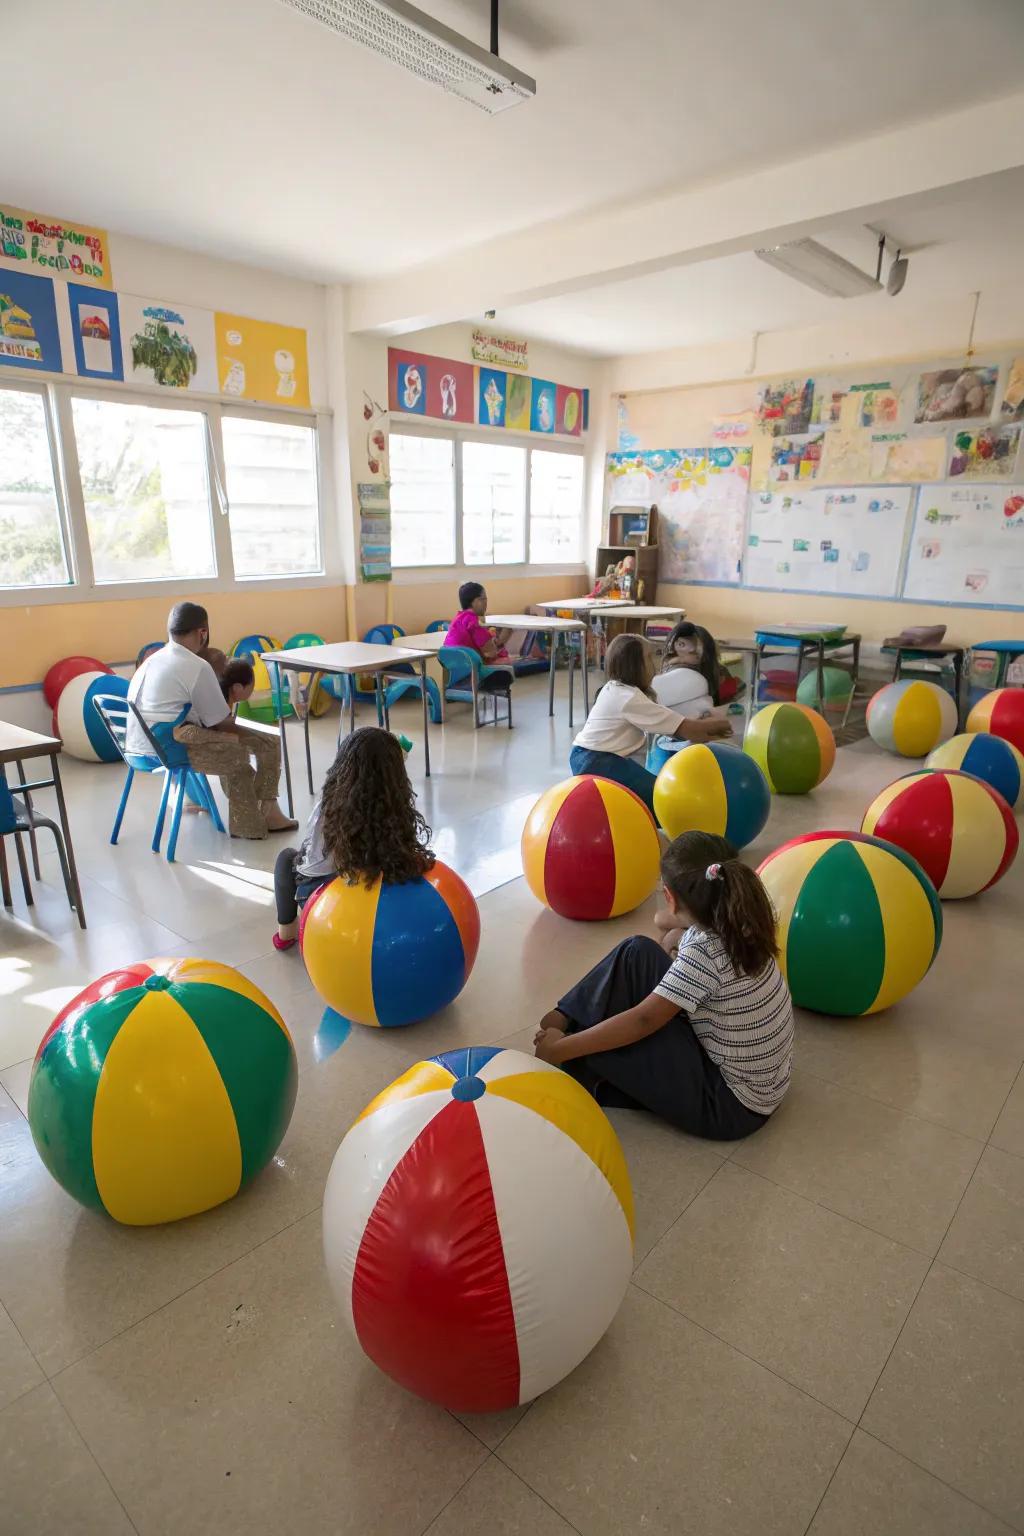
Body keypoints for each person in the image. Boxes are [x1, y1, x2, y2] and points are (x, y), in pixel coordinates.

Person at [533, 831, 793, 1140]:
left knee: (609, 1037)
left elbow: (643, 1020)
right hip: (762, 1084)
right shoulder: (741, 919)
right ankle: (568, 1015)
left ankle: (567, 1043)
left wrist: (560, 1049)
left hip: (730, 1107)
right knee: (638, 950)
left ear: (669, 896)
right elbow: (664, 923)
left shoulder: (703, 951)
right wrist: (673, 933)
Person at [126, 601, 296, 840]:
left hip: (137, 747)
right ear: (202, 632)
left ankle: (264, 813)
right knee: (263, 744)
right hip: (169, 749)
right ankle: (259, 818)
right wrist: (257, 733)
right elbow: (220, 722)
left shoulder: (152, 660)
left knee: (233, 744)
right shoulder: (196, 665)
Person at [273, 726, 434, 949]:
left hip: (324, 900)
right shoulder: (392, 804)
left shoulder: (330, 804)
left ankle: (286, 932)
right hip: (366, 899)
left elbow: (315, 860)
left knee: (286, 858)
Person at [570, 633, 730, 815]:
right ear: (634, 665)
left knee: (650, 794)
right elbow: (689, 731)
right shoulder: (628, 698)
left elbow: (673, 726)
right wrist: (721, 722)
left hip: (588, 756)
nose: (654, 663)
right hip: (596, 761)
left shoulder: (619, 689)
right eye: (648, 657)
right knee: (663, 801)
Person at [447, 581, 515, 692]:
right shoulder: (473, 622)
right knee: (508, 672)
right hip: (471, 677)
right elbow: (491, 652)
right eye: (484, 599)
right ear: (475, 601)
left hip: (454, 676)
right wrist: (502, 640)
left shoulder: (457, 619)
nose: (486, 603)